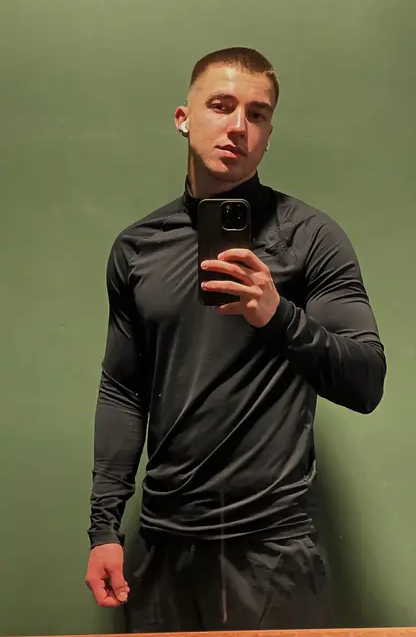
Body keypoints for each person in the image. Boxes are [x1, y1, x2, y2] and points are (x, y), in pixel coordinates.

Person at [84, 47, 387, 632]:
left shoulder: (311, 238)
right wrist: (104, 527)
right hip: (164, 550)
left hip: (274, 551)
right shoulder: (137, 248)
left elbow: (366, 380)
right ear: (184, 117)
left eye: (257, 113)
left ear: (269, 133)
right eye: (221, 106)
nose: (239, 126)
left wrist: (277, 315)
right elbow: (122, 390)